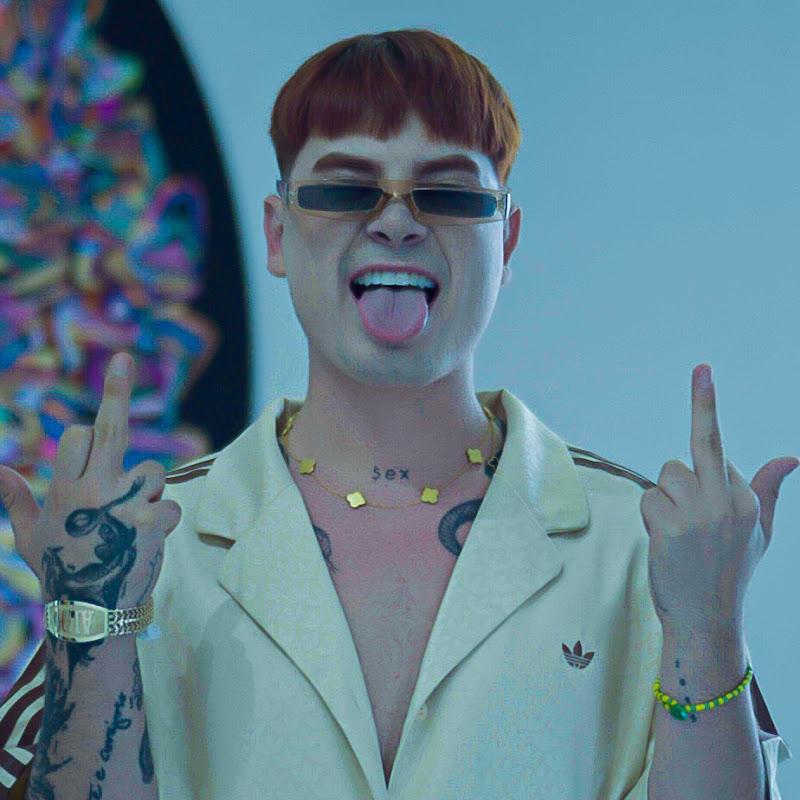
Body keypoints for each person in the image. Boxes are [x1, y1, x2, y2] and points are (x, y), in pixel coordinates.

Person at [0, 28, 789, 800]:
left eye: (448, 194)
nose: (397, 222)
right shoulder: (134, 548)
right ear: (276, 233)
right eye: (346, 189)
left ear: (507, 243)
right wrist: (87, 617)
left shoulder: (649, 550)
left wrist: (707, 628)